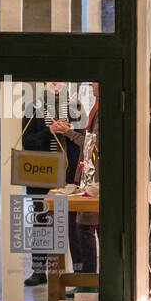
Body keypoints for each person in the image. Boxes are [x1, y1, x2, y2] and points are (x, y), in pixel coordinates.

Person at [20, 81, 82, 286]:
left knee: (74, 223)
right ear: (46, 83)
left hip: (70, 173)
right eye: (53, 80)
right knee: (40, 222)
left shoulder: (76, 106)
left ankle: (79, 272)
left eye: (61, 80)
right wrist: (51, 131)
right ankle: (39, 271)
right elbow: (27, 141)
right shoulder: (34, 106)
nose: (57, 84)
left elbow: (87, 140)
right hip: (42, 172)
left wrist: (69, 131)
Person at [63, 82, 100, 274]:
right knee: (88, 227)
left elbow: (91, 144)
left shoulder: (101, 109)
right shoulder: (95, 106)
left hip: (95, 178)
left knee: (85, 227)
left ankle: (88, 282)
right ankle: (92, 281)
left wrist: (68, 133)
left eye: (95, 81)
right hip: (91, 175)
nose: (92, 84)